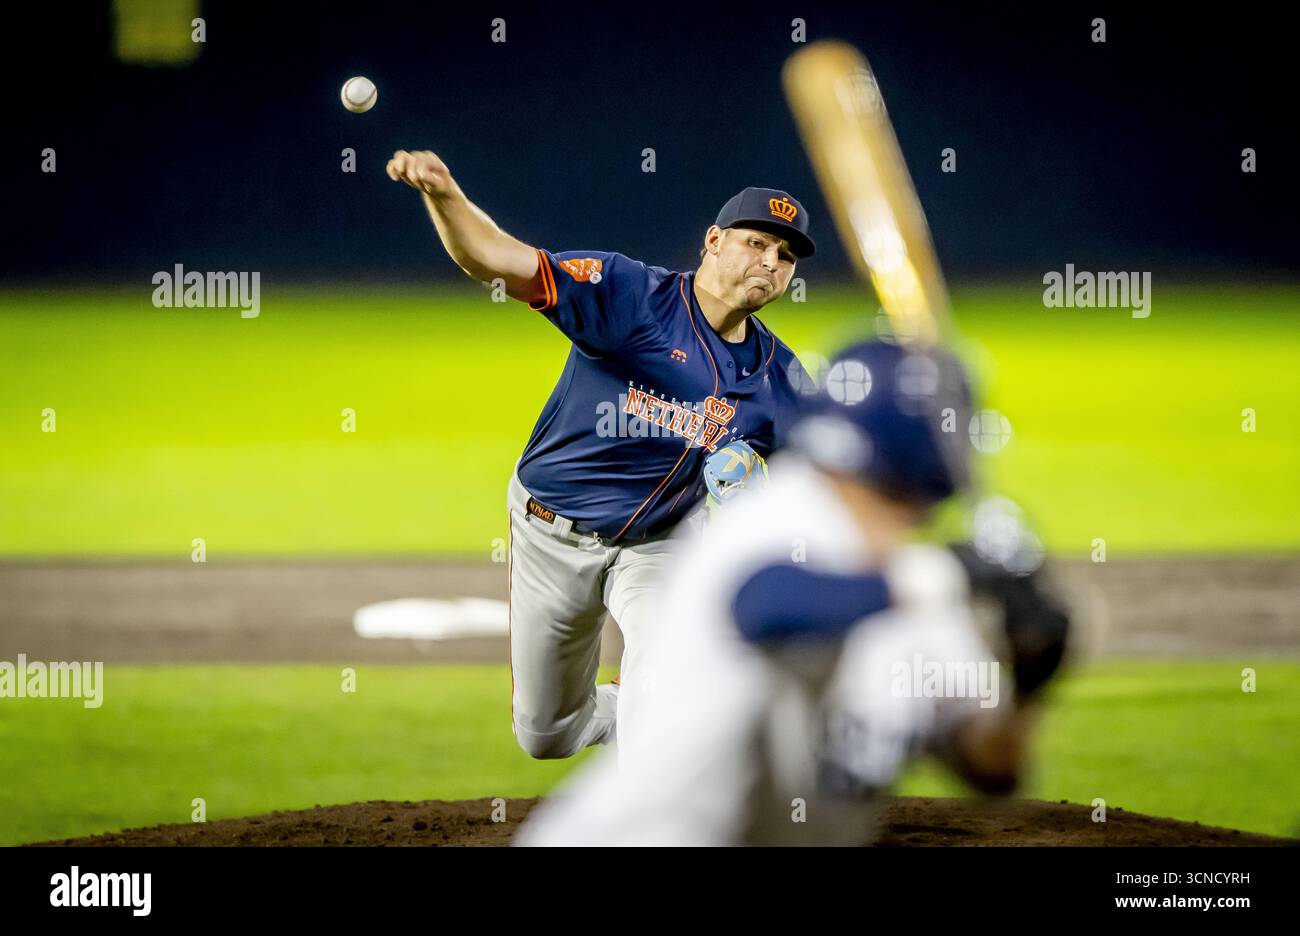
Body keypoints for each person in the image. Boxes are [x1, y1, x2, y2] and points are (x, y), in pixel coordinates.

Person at [515, 340, 1070, 845]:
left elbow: (992, 770)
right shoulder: (777, 519)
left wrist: (1030, 681)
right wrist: (950, 572)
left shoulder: (920, 594)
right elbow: (766, 603)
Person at [387, 149, 816, 758]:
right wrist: (443, 193)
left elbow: (830, 491)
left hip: (662, 541)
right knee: (547, 735)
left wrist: (760, 490)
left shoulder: (781, 379)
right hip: (550, 529)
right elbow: (496, 259)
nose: (771, 263)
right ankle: (629, 703)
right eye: (756, 243)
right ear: (713, 241)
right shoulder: (628, 294)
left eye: (786, 256)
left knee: (661, 691)